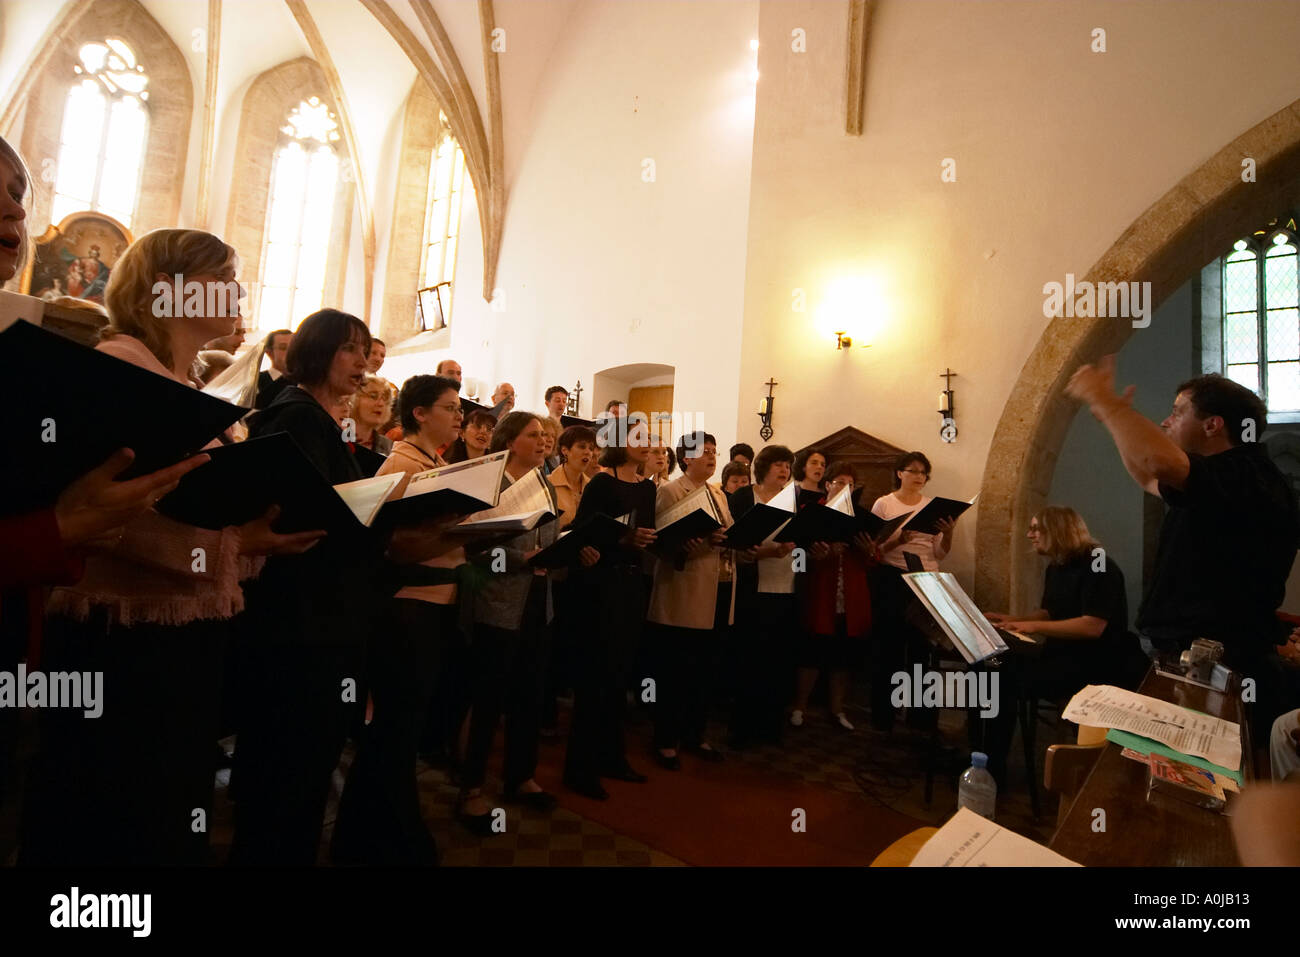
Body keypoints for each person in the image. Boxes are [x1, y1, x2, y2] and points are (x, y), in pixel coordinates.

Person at [22, 228, 324, 867]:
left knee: (165, 808)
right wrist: (236, 542)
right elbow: (110, 515)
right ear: (169, 290)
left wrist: (251, 538)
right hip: (121, 636)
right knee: (110, 817)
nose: (239, 290)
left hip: (182, 632)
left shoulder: (185, 384)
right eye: (223, 276)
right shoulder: (122, 365)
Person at [232, 308, 383, 865]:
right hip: (300, 624)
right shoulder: (297, 417)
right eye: (350, 349)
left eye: (365, 351)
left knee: (302, 767)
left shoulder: (318, 420)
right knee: (287, 768)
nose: (362, 362)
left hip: (318, 618)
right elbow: (306, 517)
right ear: (318, 352)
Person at [1066, 361, 1300, 679]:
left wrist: (1105, 401)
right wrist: (1111, 415)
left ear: (1212, 425)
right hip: (1186, 653)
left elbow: (1158, 461)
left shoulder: (1248, 475)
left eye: (1178, 412)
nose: (1166, 421)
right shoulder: (1214, 482)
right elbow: (1149, 477)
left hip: (1219, 661)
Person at [330, 373, 465, 865]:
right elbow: (396, 545)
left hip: (432, 604)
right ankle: (380, 842)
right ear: (420, 414)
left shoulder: (433, 462)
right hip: (408, 607)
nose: (459, 415)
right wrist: (466, 536)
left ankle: (374, 836)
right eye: (449, 407)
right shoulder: (404, 464)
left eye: (458, 407)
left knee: (402, 730)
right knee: (393, 729)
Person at [459, 412, 566, 830]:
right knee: (488, 699)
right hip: (497, 602)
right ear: (509, 440)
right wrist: (523, 559)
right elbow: (471, 550)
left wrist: (567, 554)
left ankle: (521, 777)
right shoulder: (490, 486)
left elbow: (551, 540)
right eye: (533, 435)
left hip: (540, 600)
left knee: (530, 695)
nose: (543, 441)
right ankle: (470, 788)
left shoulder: (544, 484)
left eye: (544, 435)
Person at [981, 506, 1129, 784]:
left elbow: (1092, 625)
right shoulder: (1057, 564)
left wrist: (1033, 627)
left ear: (1058, 529)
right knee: (988, 665)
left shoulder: (1099, 564)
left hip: (1094, 665)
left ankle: (992, 773)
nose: (1030, 535)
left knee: (1000, 678)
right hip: (1063, 655)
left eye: (1036, 528)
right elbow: (1051, 612)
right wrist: (1014, 619)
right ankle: (981, 759)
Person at [563, 419, 657, 799]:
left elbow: (645, 534)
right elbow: (585, 533)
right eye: (638, 436)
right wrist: (625, 537)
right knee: (595, 677)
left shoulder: (648, 487)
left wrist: (643, 540)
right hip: (600, 584)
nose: (646, 442)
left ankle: (612, 757)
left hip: (631, 584)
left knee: (619, 676)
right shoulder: (602, 482)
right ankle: (580, 768)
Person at [647, 432, 732, 768]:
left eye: (714, 451)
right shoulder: (670, 490)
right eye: (704, 452)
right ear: (685, 459)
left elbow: (729, 531)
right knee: (675, 671)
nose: (711, 457)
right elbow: (661, 540)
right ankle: (666, 739)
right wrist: (691, 544)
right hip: (682, 590)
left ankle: (696, 734)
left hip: (718, 587)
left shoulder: (717, 492)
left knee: (704, 670)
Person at [868, 451, 959, 731]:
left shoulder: (932, 506)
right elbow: (874, 549)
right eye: (914, 471)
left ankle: (921, 719)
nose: (919, 477)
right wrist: (900, 540)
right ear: (899, 473)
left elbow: (939, 552)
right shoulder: (884, 503)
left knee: (923, 650)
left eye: (923, 473)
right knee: (889, 648)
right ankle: (884, 715)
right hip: (892, 577)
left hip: (926, 579)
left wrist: (950, 531)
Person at [791, 462, 874, 732]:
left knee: (842, 660)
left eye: (850, 484)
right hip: (818, 593)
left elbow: (873, 562)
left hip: (850, 596)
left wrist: (869, 549)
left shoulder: (859, 515)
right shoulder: (810, 512)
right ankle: (799, 707)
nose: (845, 488)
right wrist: (816, 555)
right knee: (810, 656)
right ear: (827, 485)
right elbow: (796, 559)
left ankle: (837, 709)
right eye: (839, 482)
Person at [728, 444, 798, 749]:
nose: (784, 471)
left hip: (785, 582)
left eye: (787, 465)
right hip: (752, 584)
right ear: (764, 468)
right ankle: (742, 727)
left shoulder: (792, 498)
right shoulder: (745, 496)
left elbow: (798, 540)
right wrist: (764, 551)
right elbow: (734, 540)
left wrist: (795, 548)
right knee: (748, 657)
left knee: (777, 659)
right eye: (779, 465)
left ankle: (770, 726)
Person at [349, 373, 394, 455]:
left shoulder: (389, 447)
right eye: (373, 396)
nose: (381, 403)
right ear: (354, 398)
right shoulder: (338, 439)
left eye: (385, 399)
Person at [254, 329, 293, 410]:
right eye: (283, 348)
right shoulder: (256, 381)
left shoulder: (303, 383)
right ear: (269, 353)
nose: (290, 352)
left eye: (294, 347)